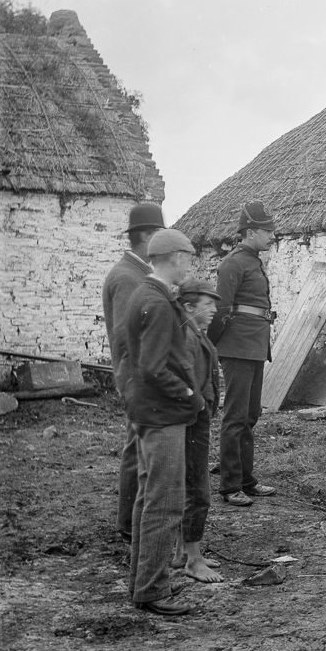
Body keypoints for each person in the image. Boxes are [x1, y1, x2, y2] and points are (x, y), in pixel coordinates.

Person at [123, 229, 203, 616]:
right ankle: (153, 589)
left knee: (147, 499)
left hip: (149, 412)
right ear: (174, 257)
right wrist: (187, 393)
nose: (190, 264)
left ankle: (141, 584)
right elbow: (153, 368)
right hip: (163, 414)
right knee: (165, 504)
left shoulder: (146, 295)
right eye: (189, 257)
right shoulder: (155, 302)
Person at [102, 201, 165, 542]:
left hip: (141, 374)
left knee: (138, 446)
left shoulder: (139, 273)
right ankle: (128, 523)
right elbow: (128, 337)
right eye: (159, 235)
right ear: (146, 236)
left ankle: (132, 521)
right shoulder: (126, 277)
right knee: (136, 448)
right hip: (137, 376)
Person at [208, 201, 278, 506]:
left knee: (250, 416)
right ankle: (230, 485)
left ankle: (246, 480)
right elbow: (221, 309)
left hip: (253, 348)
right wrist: (212, 346)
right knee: (235, 418)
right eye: (267, 231)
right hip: (238, 349)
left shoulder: (252, 261)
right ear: (250, 232)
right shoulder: (233, 263)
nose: (272, 236)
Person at [173, 278, 224, 584]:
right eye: (208, 304)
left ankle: (182, 552)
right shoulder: (186, 336)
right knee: (198, 490)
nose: (214, 309)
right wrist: (199, 405)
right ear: (189, 306)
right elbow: (183, 380)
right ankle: (193, 560)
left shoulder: (193, 331)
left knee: (190, 485)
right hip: (192, 419)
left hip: (196, 416)